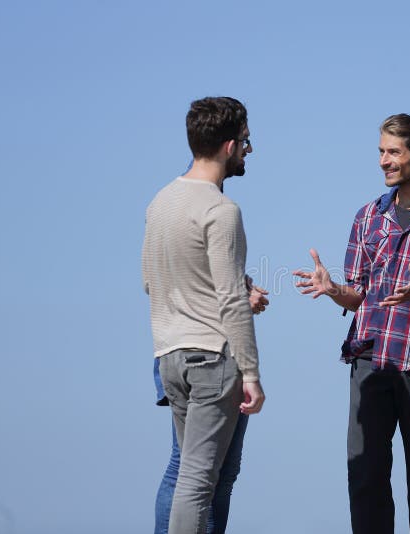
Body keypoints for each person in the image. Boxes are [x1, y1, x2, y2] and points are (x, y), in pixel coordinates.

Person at [293, 114, 410, 534]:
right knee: (365, 480)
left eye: (393, 152)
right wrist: (332, 289)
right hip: (368, 362)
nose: (383, 161)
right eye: (380, 151)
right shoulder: (367, 218)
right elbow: (358, 294)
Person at [142, 96, 266, 534]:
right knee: (196, 479)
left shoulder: (161, 202)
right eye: (247, 142)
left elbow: (152, 280)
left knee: (206, 474)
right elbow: (230, 299)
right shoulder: (221, 210)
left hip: (169, 353)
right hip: (213, 358)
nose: (249, 151)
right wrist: (250, 373)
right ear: (230, 145)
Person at [153, 276, 268, 534]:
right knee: (199, 470)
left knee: (197, 466)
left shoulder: (161, 234)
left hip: (178, 346)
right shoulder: (214, 233)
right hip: (210, 352)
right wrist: (237, 298)